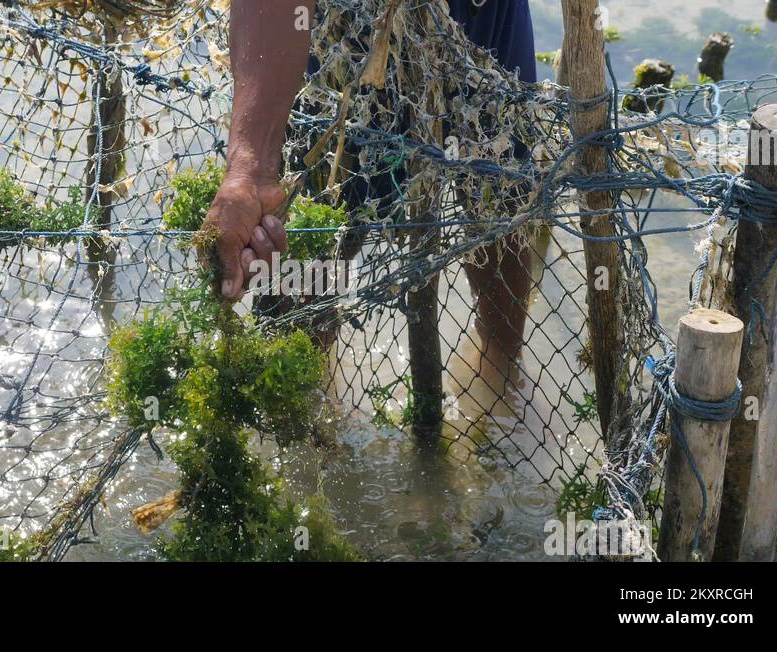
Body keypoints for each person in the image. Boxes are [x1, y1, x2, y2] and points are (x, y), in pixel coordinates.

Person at [201, 0, 538, 405]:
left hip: (483, 11)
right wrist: (249, 171)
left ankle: (499, 383)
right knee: (322, 228)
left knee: (500, 206)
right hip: (353, 25)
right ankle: (302, 413)